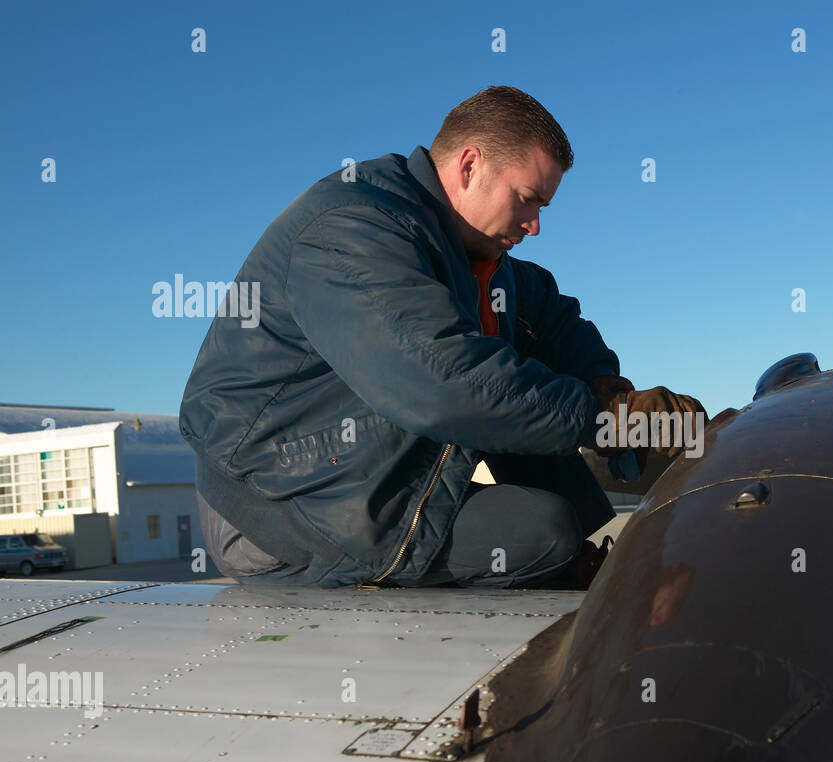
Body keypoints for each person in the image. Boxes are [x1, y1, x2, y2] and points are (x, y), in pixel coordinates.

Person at [180, 86, 705, 589]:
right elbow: (446, 383)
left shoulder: (472, 252)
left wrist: (613, 396)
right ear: (470, 165)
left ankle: (592, 559)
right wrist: (596, 418)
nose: (535, 225)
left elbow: (548, 317)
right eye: (527, 200)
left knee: (566, 481)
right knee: (547, 533)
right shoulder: (352, 230)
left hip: (366, 466)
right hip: (276, 497)